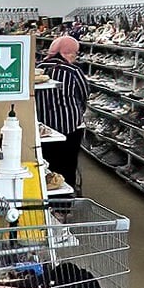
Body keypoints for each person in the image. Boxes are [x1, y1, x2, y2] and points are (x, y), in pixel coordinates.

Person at [35, 35, 89, 189]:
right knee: (67, 165)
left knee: (46, 163)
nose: (75, 56)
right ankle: (64, 206)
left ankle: (47, 199)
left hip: (43, 127)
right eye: (74, 53)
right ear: (67, 52)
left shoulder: (39, 69)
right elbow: (84, 94)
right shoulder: (73, 71)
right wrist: (78, 111)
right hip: (69, 127)